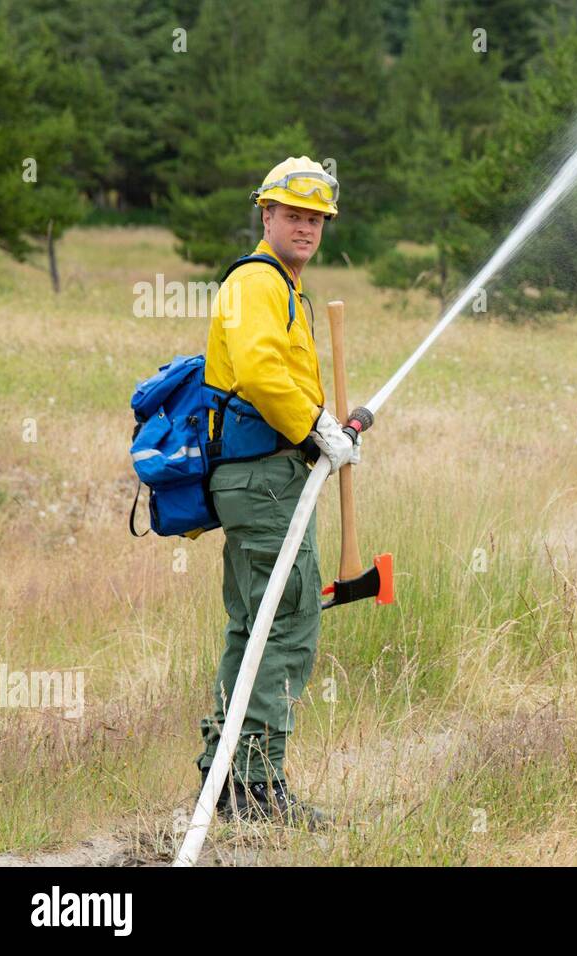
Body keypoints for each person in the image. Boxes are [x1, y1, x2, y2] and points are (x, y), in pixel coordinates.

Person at [195, 156, 358, 827]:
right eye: (294, 215)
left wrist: (319, 431)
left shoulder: (283, 287)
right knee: (285, 622)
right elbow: (261, 370)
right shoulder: (258, 281)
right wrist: (313, 424)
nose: (306, 228)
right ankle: (257, 789)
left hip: (269, 473)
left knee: (254, 625)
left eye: (316, 218)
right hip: (264, 476)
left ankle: (228, 780)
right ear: (267, 214)